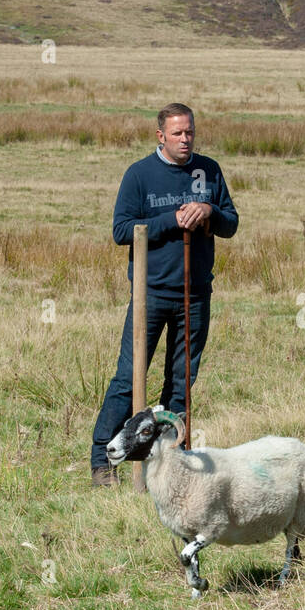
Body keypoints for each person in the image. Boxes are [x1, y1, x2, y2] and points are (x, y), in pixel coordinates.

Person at [90, 103, 238, 486]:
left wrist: (209, 210)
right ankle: (102, 460)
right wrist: (170, 221)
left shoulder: (209, 171)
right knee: (128, 379)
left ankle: (175, 462)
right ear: (161, 136)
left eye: (189, 132)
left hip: (195, 295)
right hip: (150, 295)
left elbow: (231, 223)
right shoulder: (139, 175)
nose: (185, 139)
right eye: (177, 133)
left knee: (181, 381)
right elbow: (122, 230)